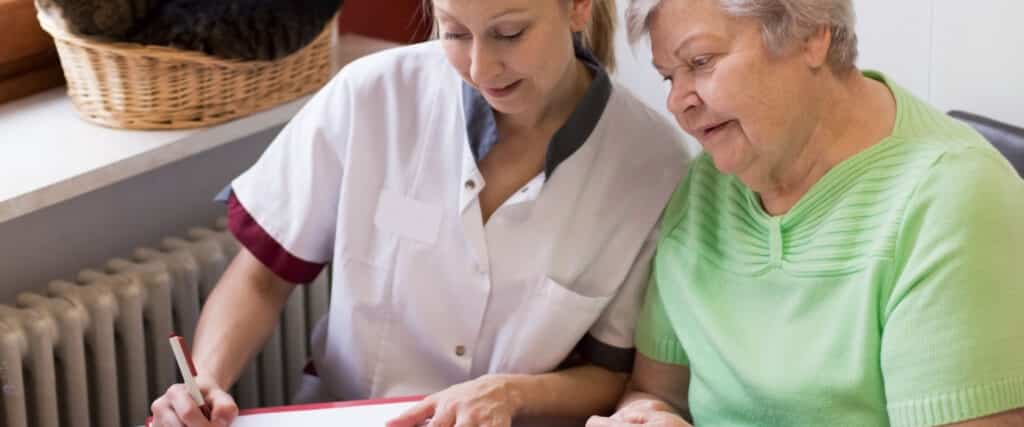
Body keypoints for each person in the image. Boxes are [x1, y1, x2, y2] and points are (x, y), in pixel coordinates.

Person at [149, 0, 692, 426]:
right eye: (454, 32)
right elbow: (261, 276)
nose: (480, 67)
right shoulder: (373, 95)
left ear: (577, 6)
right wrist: (206, 385)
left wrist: (509, 394)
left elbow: (610, 373)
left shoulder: (652, 165)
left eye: (509, 33)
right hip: (345, 411)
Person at [586, 0, 1024, 426]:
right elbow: (658, 391)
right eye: (667, 77)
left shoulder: (951, 202)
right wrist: (645, 416)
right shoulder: (709, 183)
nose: (677, 102)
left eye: (700, 62)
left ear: (811, 34)